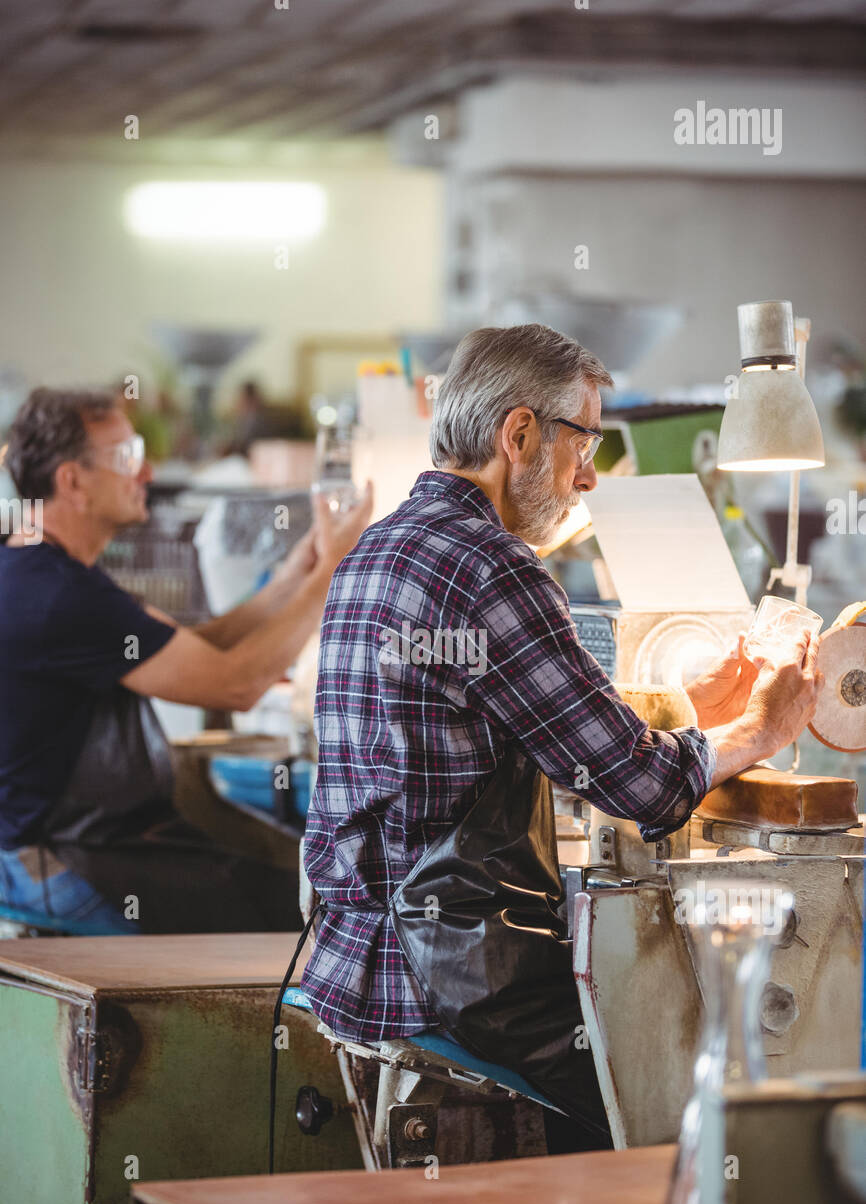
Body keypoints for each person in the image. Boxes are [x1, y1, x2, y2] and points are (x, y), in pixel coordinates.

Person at [299, 323, 822, 1145]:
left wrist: (694, 713)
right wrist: (765, 726)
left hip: (350, 954)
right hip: (442, 975)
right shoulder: (493, 566)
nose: (587, 478)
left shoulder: (378, 549)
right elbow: (643, 791)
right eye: (584, 442)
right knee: (686, 1092)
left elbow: (541, 722)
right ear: (519, 434)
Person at [0, 388, 372, 934]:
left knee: (287, 883)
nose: (148, 471)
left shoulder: (36, 566)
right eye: (127, 458)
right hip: (58, 860)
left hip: (62, 843)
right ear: (72, 481)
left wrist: (297, 575)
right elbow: (237, 684)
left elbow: (201, 646)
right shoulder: (63, 596)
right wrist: (335, 571)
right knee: (307, 917)